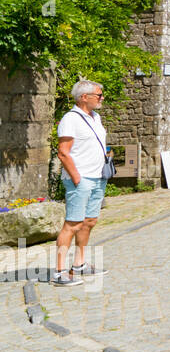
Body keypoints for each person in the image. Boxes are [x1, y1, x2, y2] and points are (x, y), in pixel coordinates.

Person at [52, 79, 113, 287]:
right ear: (83, 97)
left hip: (98, 177)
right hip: (81, 179)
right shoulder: (71, 119)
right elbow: (63, 152)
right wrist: (77, 178)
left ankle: (79, 264)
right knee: (73, 223)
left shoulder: (96, 117)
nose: (102, 98)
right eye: (98, 95)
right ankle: (59, 272)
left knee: (89, 222)